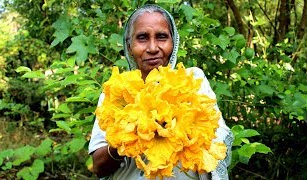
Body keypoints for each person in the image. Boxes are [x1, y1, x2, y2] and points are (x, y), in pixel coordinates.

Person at [89, 4, 233, 180]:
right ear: (129, 45)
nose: (152, 48)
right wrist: (126, 138)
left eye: (161, 37)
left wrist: (180, 128)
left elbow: (215, 141)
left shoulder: (193, 81)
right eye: (142, 38)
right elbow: (99, 167)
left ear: (174, 41)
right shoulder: (117, 91)